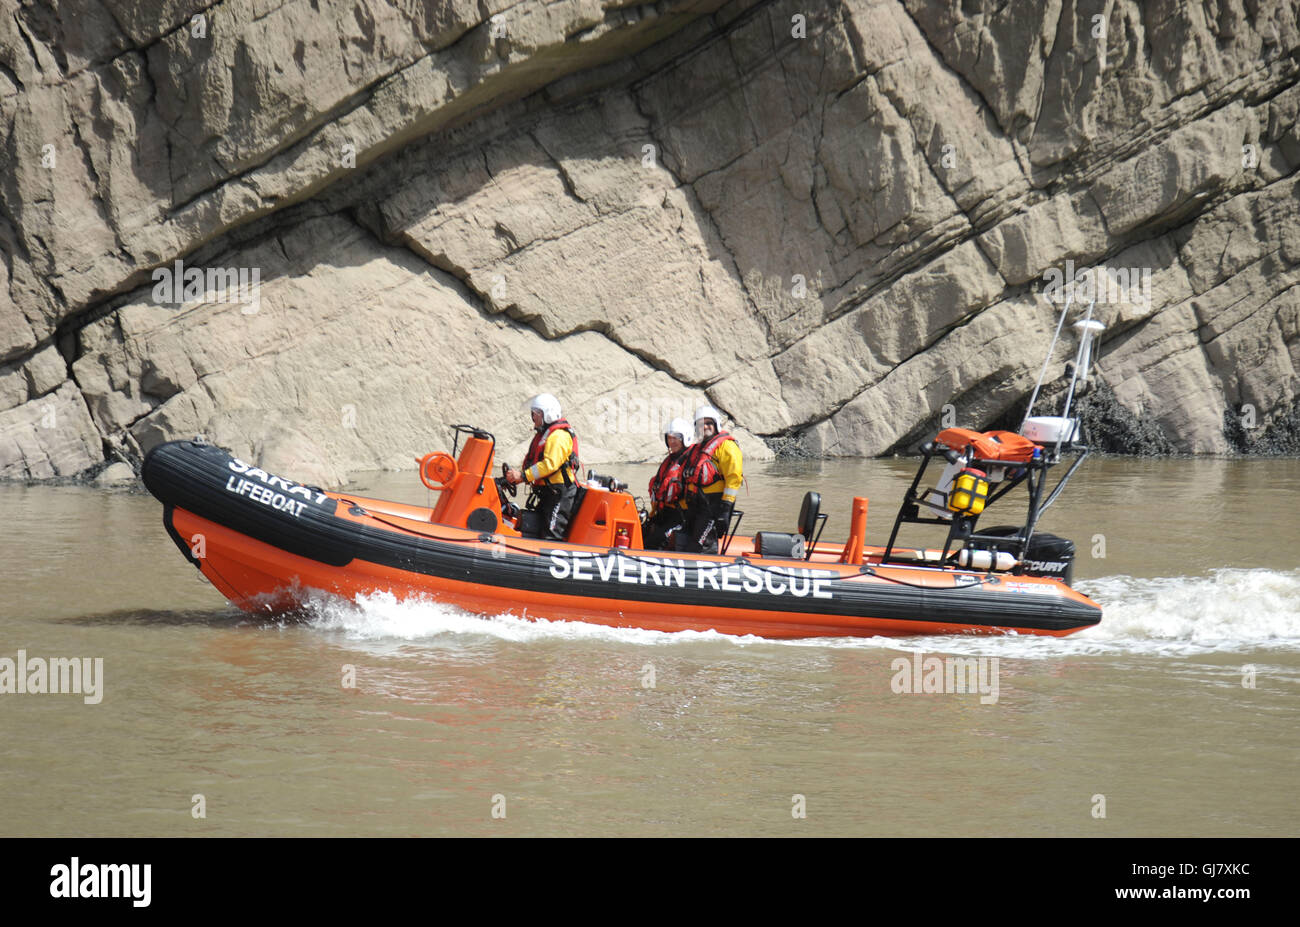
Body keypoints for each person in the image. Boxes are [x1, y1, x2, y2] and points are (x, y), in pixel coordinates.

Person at [506, 394, 581, 540]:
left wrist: (523, 476)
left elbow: (549, 465)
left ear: (547, 414)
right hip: (548, 492)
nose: (533, 417)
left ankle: (551, 554)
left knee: (551, 533)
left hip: (560, 493)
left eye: (536, 413)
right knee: (535, 525)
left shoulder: (558, 437)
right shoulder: (545, 435)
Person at [679, 404, 742, 554]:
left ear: (716, 424)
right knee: (686, 540)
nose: (705, 427)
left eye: (709, 423)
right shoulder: (697, 449)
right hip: (696, 505)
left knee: (700, 546)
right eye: (701, 424)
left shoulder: (726, 446)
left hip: (714, 507)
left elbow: (733, 478)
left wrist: (725, 509)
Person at [642, 418, 692, 551]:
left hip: (681, 516)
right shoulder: (670, 461)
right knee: (642, 534)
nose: (672, 441)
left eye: (675, 438)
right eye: (669, 438)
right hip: (664, 512)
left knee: (653, 542)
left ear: (685, 438)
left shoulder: (691, 461)